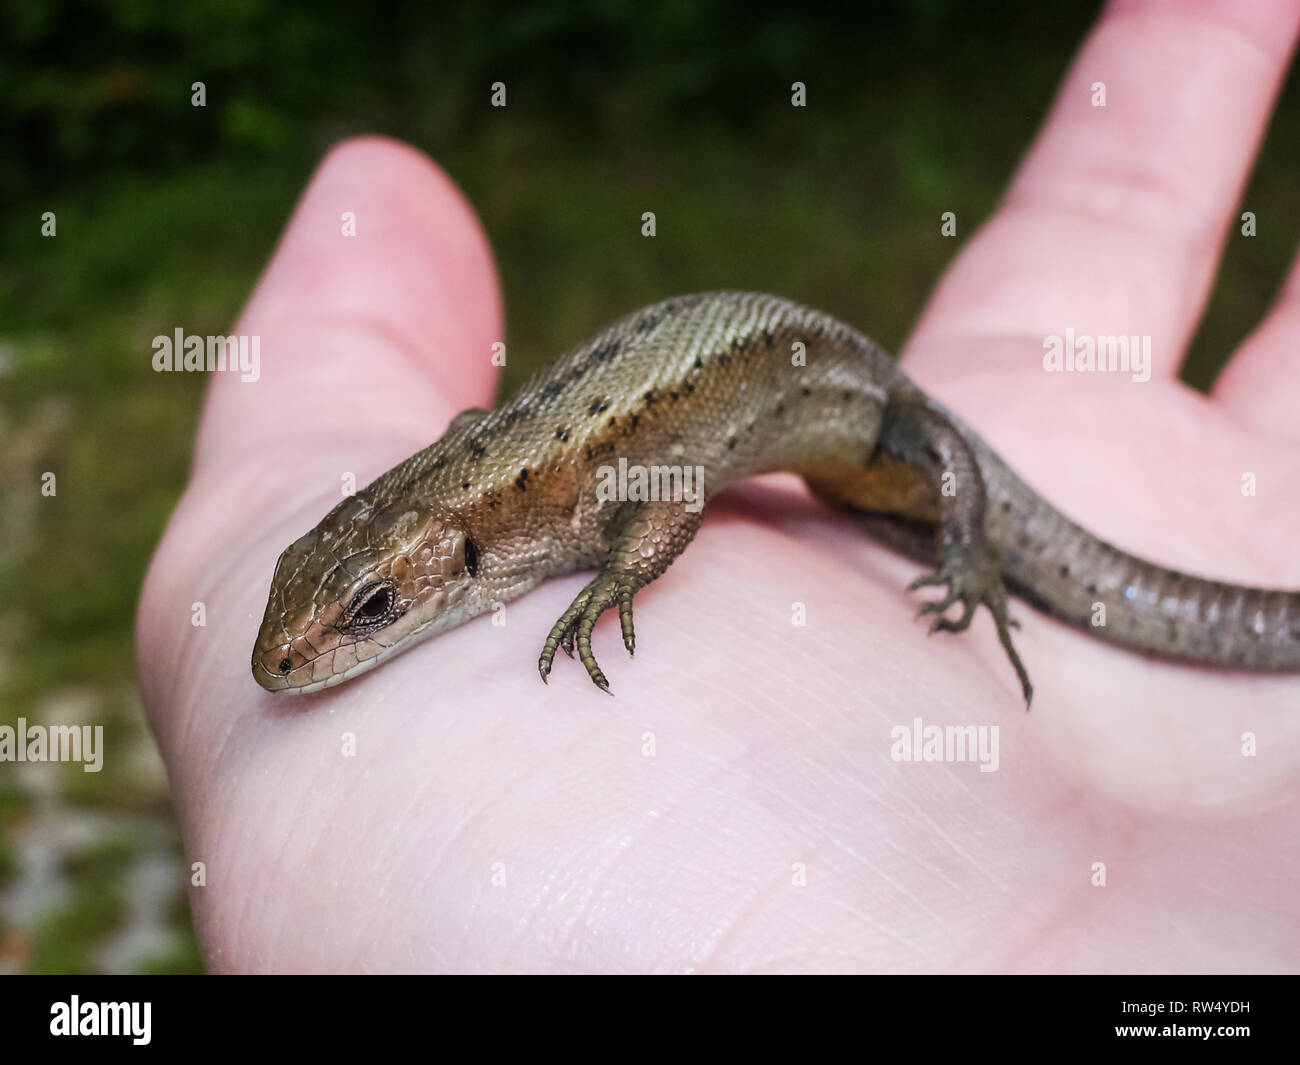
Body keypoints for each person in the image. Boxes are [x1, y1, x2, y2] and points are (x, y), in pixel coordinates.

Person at [137, 1, 1300, 972]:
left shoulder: (558, 497)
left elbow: (674, 493)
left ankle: (972, 558)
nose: (299, 656)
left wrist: (622, 583)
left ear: (458, 551)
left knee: (941, 483)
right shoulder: (495, 500)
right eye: (359, 606)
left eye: (370, 609)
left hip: (868, 412)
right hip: (769, 409)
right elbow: (475, 432)